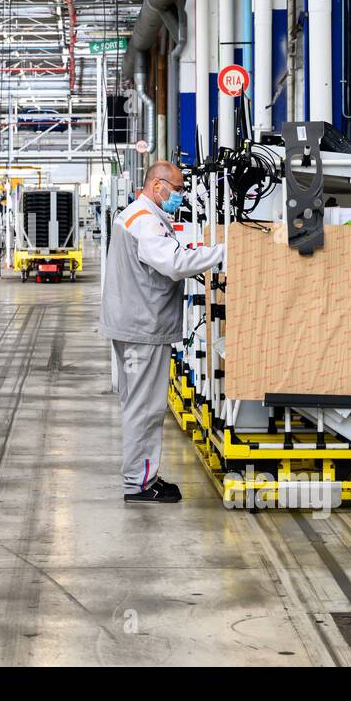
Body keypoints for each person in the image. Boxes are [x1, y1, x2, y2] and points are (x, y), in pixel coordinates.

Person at [100, 161, 225, 504]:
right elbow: (174, 264)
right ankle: (139, 484)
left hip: (134, 324)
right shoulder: (145, 221)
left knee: (139, 404)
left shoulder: (140, 216)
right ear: (157, 186)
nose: (180, 195)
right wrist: (224, 252)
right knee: (144, 407)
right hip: (142, 328)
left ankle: (142, 477)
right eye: (178, 188)